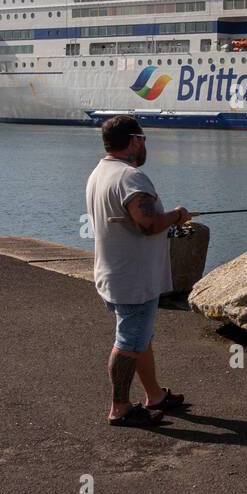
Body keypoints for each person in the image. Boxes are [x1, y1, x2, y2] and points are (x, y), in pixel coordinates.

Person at [85, 115, 192, 427]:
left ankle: (155, 395)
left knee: (140, 338)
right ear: (134, 141)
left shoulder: (100, 172)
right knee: (129, 342)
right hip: (133, 280)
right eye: (143, 138)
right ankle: (120, 408)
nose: (146, 144)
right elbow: (147, 225)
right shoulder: (131, 178)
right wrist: (176, 215)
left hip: (112, 273)